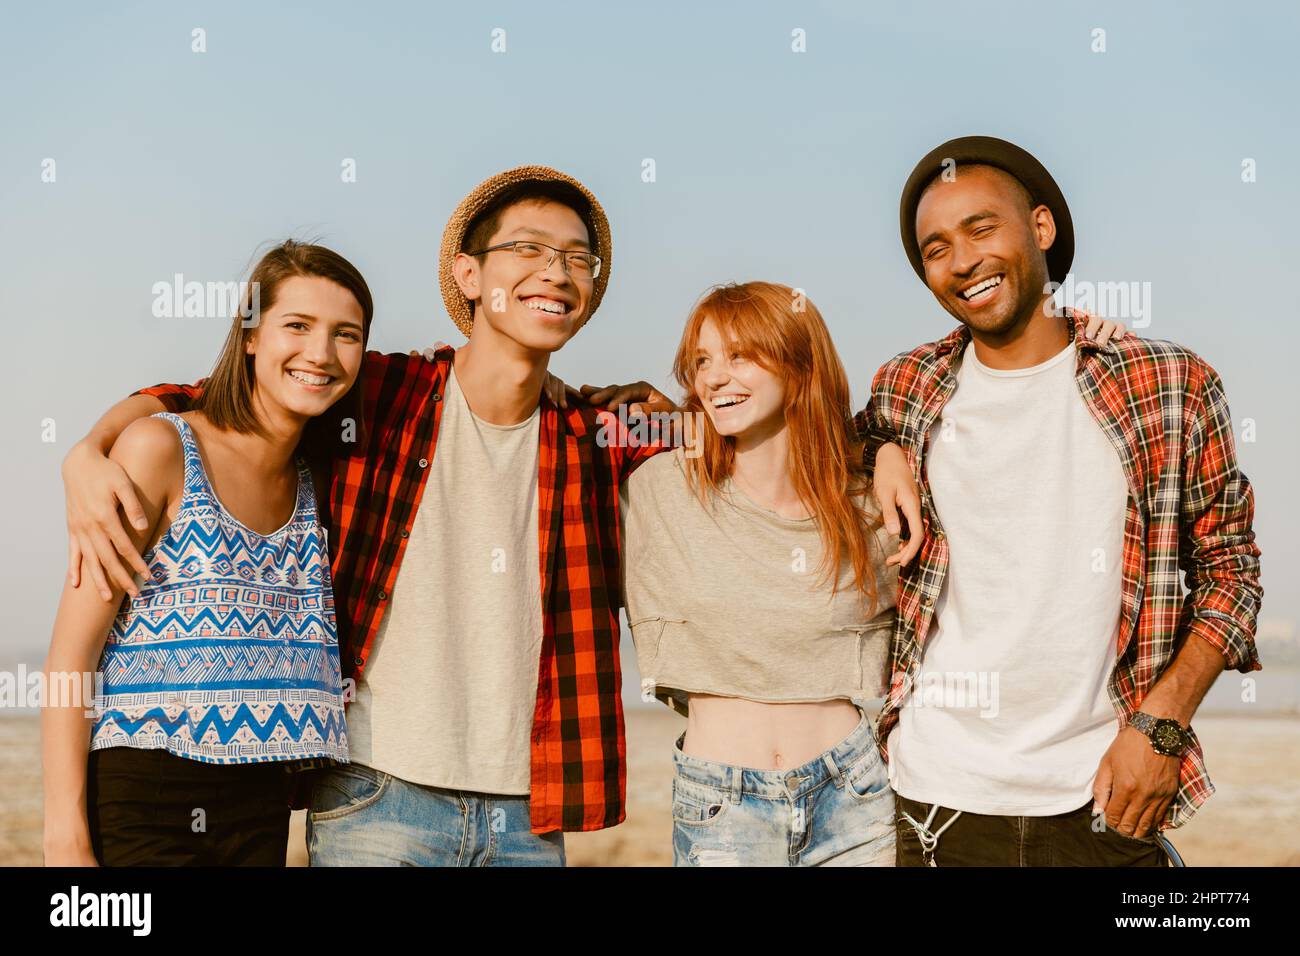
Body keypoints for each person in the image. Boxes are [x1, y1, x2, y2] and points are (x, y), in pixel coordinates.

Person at [60, 167, 675, 866]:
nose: (556, 272)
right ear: (469, 275)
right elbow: (215, 396)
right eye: (529, 250)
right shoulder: (382, 396)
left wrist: (670, 413)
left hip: (527, 813)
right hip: (377, 799)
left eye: (576, 258)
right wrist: (86, 450)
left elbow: (724, 446)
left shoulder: (595, 435)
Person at [856, 136, 1263, 866]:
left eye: (983, 228)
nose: (962, 260)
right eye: (936, 247)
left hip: (1106, 796)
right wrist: (877, 448)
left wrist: (1160, 728)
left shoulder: (1167, 384)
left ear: (1040, 229)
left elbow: (1231, 574)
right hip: (932, 803)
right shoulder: (906, 386)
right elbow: (819, 442)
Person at [42, 240, 367, 865]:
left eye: (345, 334)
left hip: (264, 807)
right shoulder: (160, 450)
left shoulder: (316, 478)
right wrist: (65, 837)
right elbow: (70, 655)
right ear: (249, 336)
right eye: (296, 326)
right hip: (145, 797)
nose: (320, 353)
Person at [622, 281, 902, 866]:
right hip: (722, 807)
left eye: (739, 355)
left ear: (800, 364)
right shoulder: (659, 488)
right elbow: (534, 423)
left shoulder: (871, 506)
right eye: (702, 361)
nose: (715, 377)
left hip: (855, 797)